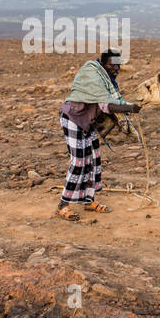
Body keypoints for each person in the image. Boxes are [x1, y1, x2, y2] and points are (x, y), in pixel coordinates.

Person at [56, 49, 140, 221]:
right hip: (73, 118)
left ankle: (89, 200)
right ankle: (63, 205)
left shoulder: (106, 79)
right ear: (103, 63)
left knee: (93, 160)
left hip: (87, 122)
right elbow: (107, 105)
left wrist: (127, 108)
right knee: (79, 162)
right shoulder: (93, 75)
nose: (116, 68)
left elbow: (110, 102)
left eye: (118, 65)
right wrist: (130, 107)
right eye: (112, 64)